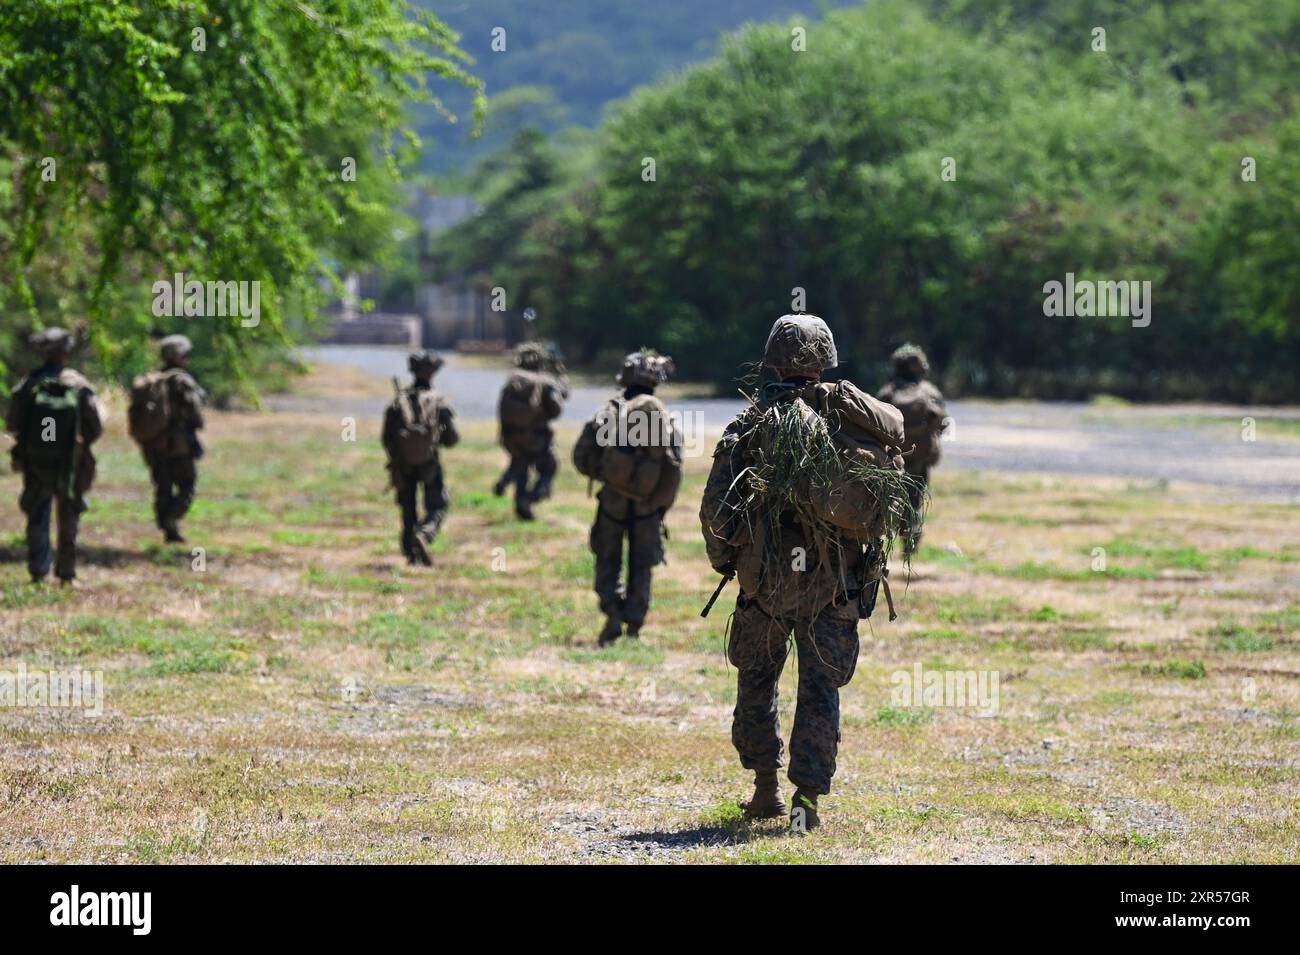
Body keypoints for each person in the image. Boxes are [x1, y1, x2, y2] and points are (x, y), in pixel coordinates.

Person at [700, 315, 907, 830]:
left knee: (756, 679)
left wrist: (727, 563)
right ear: (826, 365)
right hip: (834, 586)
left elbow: (716, 514)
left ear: (771, 362)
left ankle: (765, 790)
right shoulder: (854, 425)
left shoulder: (750, 425)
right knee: (820, 691)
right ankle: (806, 803)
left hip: (766, 583)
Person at [573, 351, 682, 645]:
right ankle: (634, 624)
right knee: (642, 563)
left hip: (612, 502)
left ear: (624, 379)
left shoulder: (608, 414)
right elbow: (675, 465)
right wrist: (660, 502)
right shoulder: (664, 417)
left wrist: (605, 475)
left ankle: (611, 611)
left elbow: (581, 456)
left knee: (607, 557)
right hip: (648, 505)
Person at [5, 327, 103, 585]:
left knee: (38, 513)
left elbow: (13, 423)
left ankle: (38, 571)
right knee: (69, 515)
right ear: (67, 352)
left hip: (36, 461)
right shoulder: (79, 385)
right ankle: (67, 574)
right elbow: (95, 427)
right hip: (72, 462)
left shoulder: (29, 384)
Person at [382, 351, 459, 565]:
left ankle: (410, 553)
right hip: (429, 462)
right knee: (438, 505)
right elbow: (453, 438)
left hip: (402, 464)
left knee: (408, 508)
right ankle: (424, 534)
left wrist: (398, 457)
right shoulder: (438, 401)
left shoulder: (399, 400)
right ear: (432, 373)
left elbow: (386, 437)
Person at [129, 334, 206, 543]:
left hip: (155, 444)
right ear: (178, 356)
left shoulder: (153, 380)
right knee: (187, 484)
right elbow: (194, 412)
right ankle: (171, 519)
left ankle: (168, 529)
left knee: (163, 485)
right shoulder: (181, 380)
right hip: (179, 444)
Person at [877, 344, 946, 556]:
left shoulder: (887, 392)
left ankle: (899, 534)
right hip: (921, 456)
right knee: (914, 498)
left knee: (893, 498)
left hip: (894, 456)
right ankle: (911, 537)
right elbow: (942, 424)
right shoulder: (930, 392)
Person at [494, 342, 566, 520]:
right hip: (537, 437)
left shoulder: (513, 380)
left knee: (521, 470)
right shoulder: (545, 381)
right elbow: (556, 409)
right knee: (549, 467)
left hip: (512, 436)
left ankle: (520, 506)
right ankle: (533, 497)